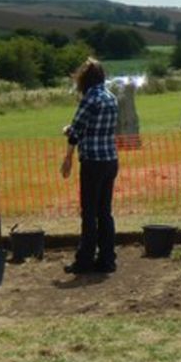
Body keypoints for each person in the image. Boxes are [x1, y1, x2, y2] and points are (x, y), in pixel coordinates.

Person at [60, 58, 119, 274]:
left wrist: (67, 133)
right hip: (111, 159)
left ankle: (84, 259)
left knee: (89, 212)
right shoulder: (112, 98)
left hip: (92, 161)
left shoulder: (90, 99)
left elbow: (76, 130)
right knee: (105, 212)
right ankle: (107, 259)